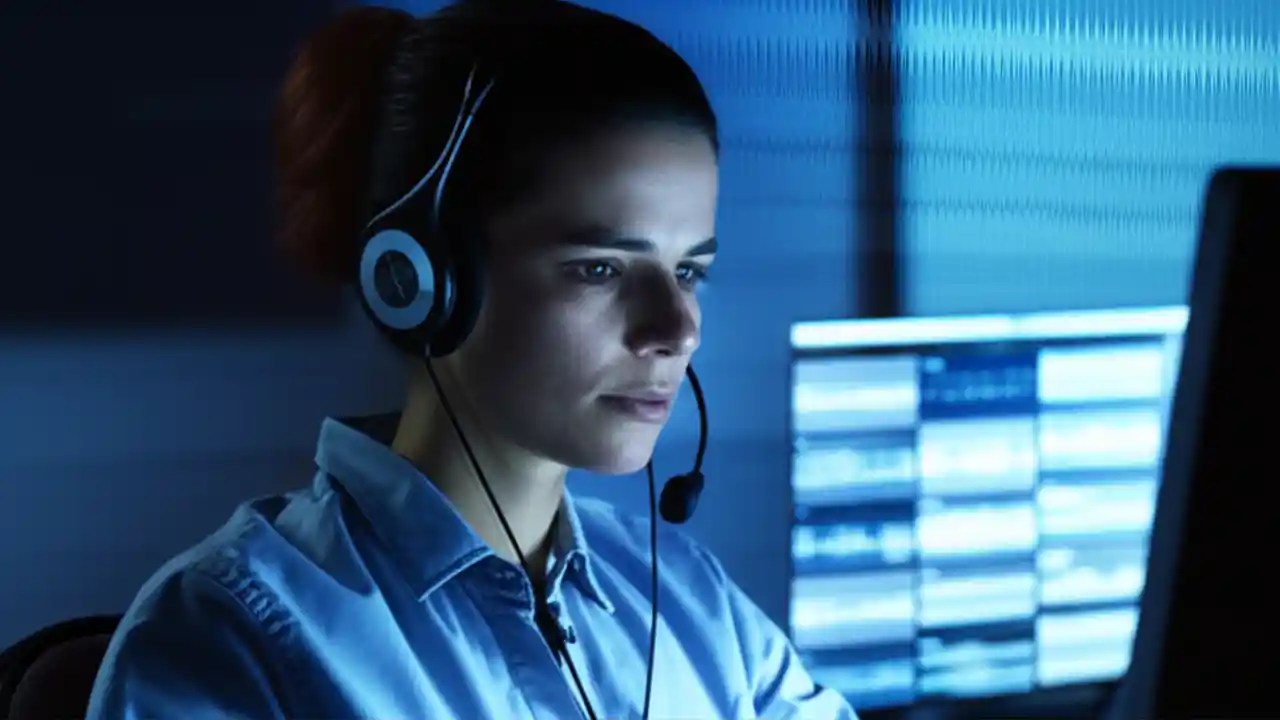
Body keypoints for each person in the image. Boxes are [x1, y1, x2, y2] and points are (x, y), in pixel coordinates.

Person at [86, 1, 859, 718]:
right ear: (422, 281)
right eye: (600, 268)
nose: (677, 328)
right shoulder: (232, 634)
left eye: (689, 271)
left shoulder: (688, 601)